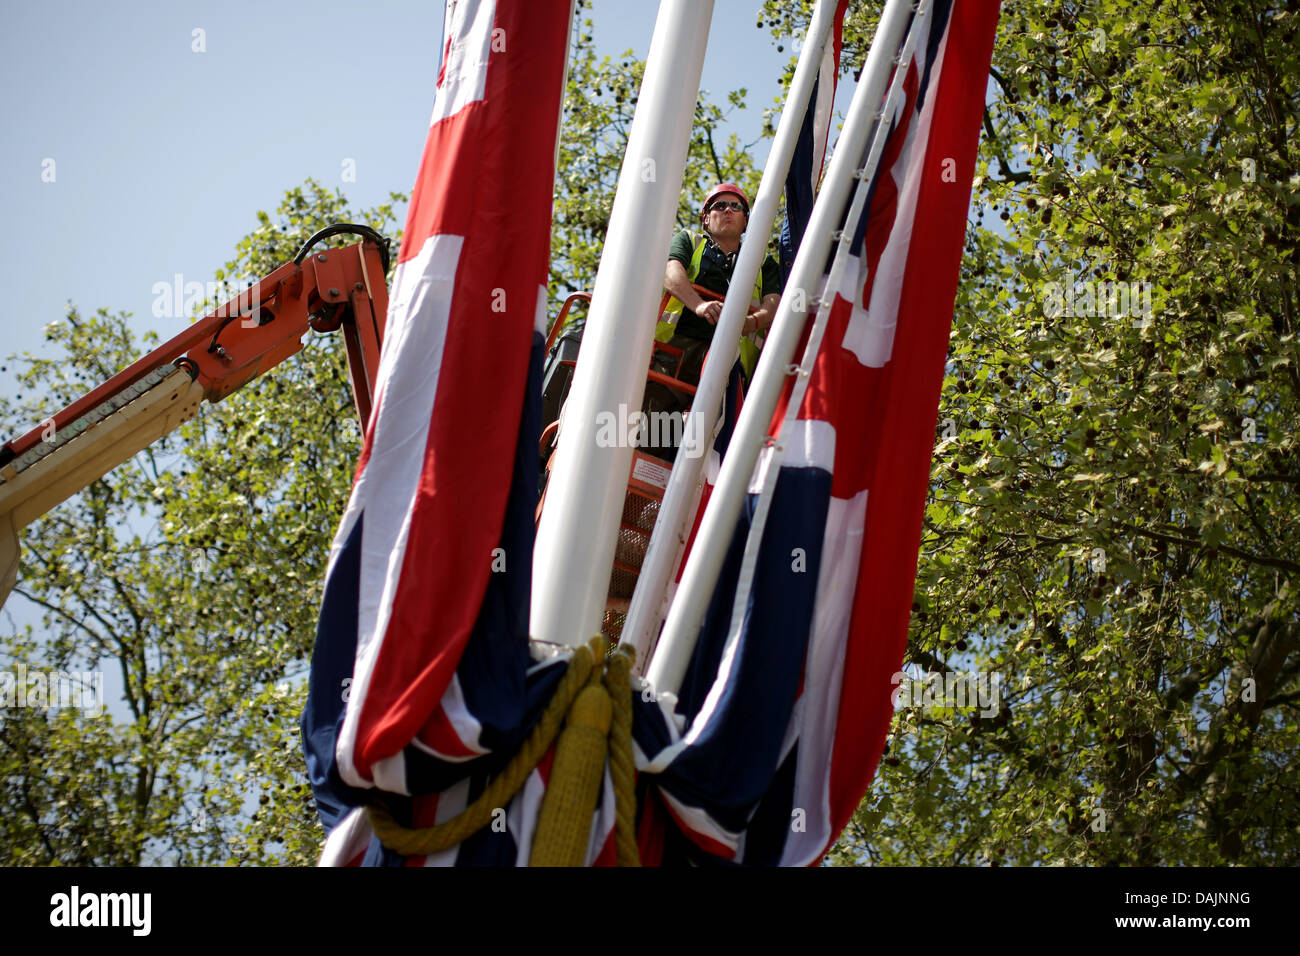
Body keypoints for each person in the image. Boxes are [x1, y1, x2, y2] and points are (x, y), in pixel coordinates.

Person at [658, 183, 782, 390]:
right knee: (658, 419)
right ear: (706, 218)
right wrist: (699, 305)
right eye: (720, 205)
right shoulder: (689, 241)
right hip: (675, 348)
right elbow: (670, 273)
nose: (728, 210)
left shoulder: (763, 262)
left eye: (736, 207)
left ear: (745, 222)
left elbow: (773, 304)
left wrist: (750, 322)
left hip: (733, 362)